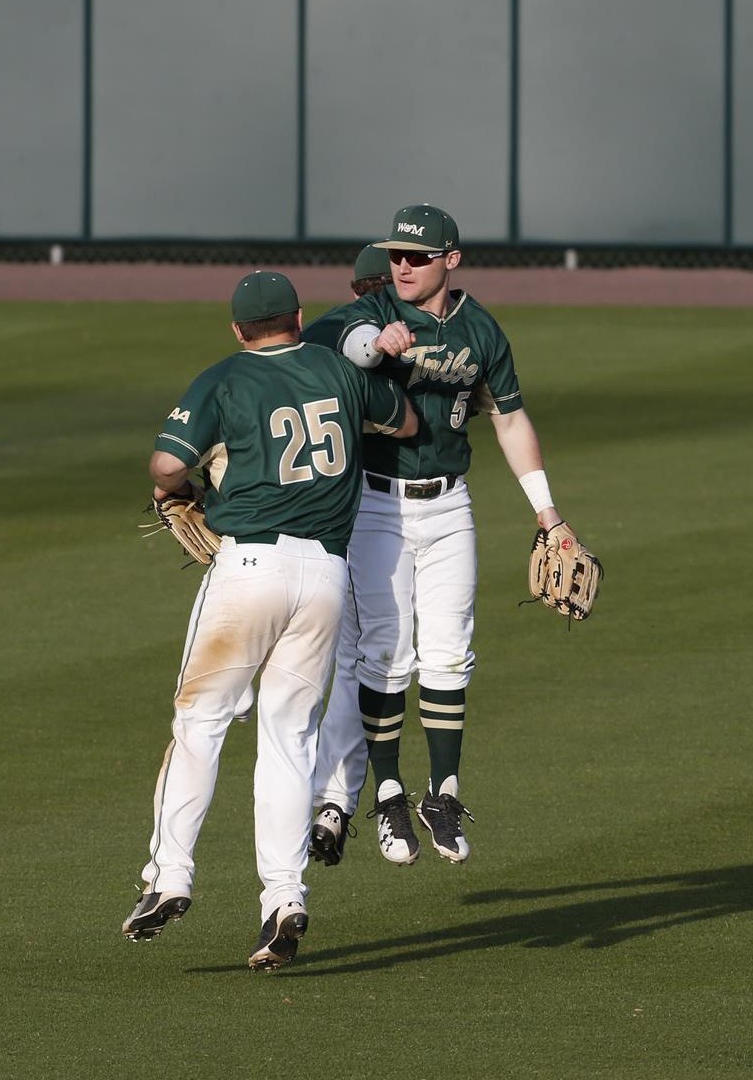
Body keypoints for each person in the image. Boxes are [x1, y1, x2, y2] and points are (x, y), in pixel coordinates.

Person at [123, 270, 417, 971]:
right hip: (324, 577)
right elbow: (403, 420)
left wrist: (182, 489)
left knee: (201, 724)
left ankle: (169, 877)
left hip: (247, 571)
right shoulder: (336, 368)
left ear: (237, 329)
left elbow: (166, 463)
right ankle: (284, 898)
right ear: (298, 317)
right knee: (290, 740)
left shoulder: (224, 379)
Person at [303, 204, 576, 866]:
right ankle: (389, 793)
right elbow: (336, 344)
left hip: (450, 506)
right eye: (397, 254)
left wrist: (549, 514)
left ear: (450, 261)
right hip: (376, 508)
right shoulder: (371, 311)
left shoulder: (481, 330)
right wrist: (378, 348)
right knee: (386, 656)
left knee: (451, 655)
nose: (402, 265)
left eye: (417, 257)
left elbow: (510, 420)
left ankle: (443, 794)